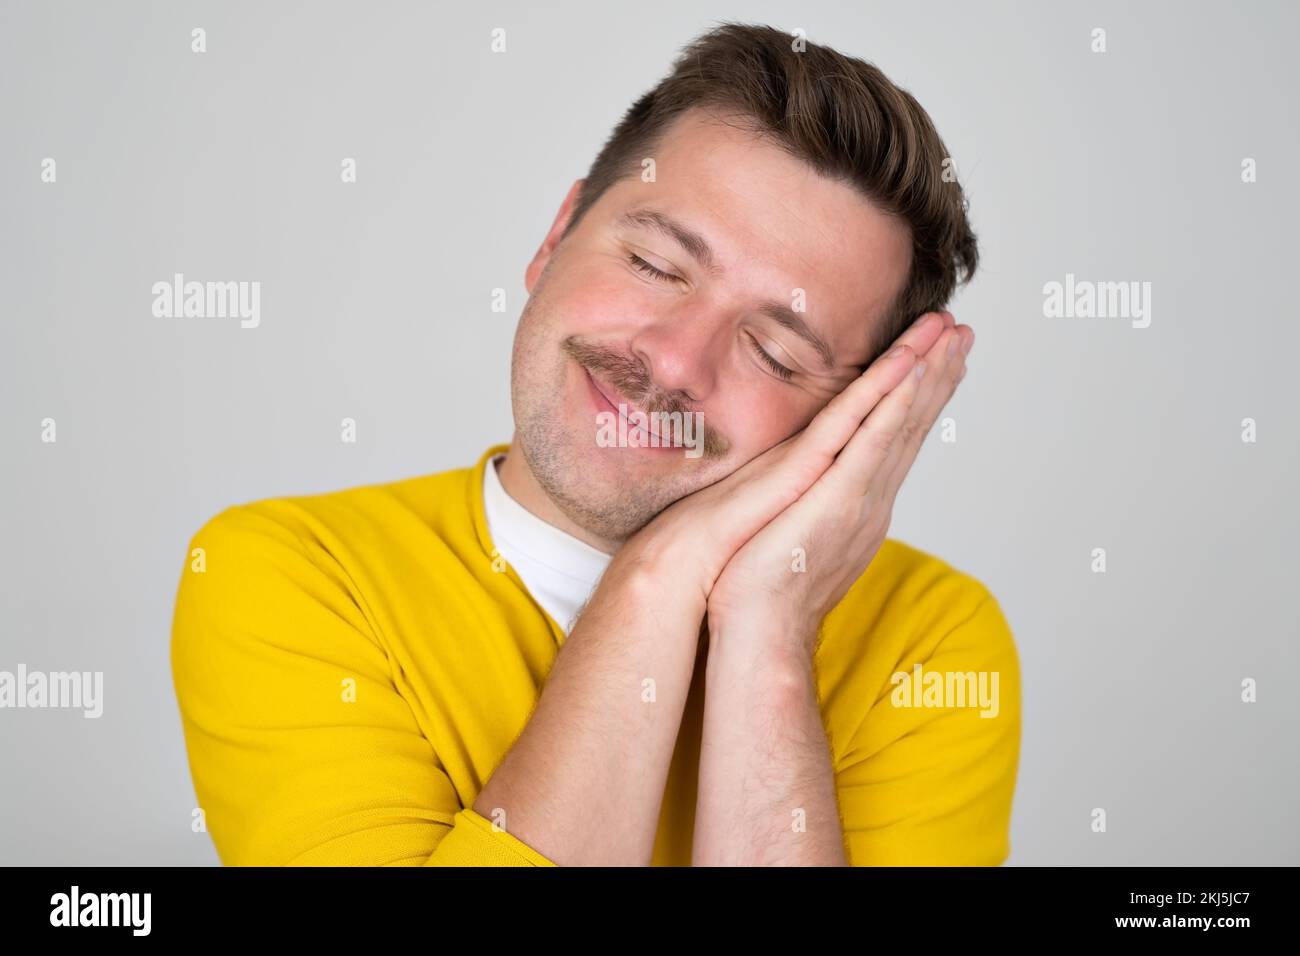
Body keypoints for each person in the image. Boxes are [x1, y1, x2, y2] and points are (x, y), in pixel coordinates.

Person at [171, 21, 1020, 866]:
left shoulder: (929, 642)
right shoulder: (289, 574)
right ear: (556, 237)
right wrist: (658, 578)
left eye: (775, 351)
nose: (676, 358)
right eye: (653, 264)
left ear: (863, 416)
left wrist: (770, 630)